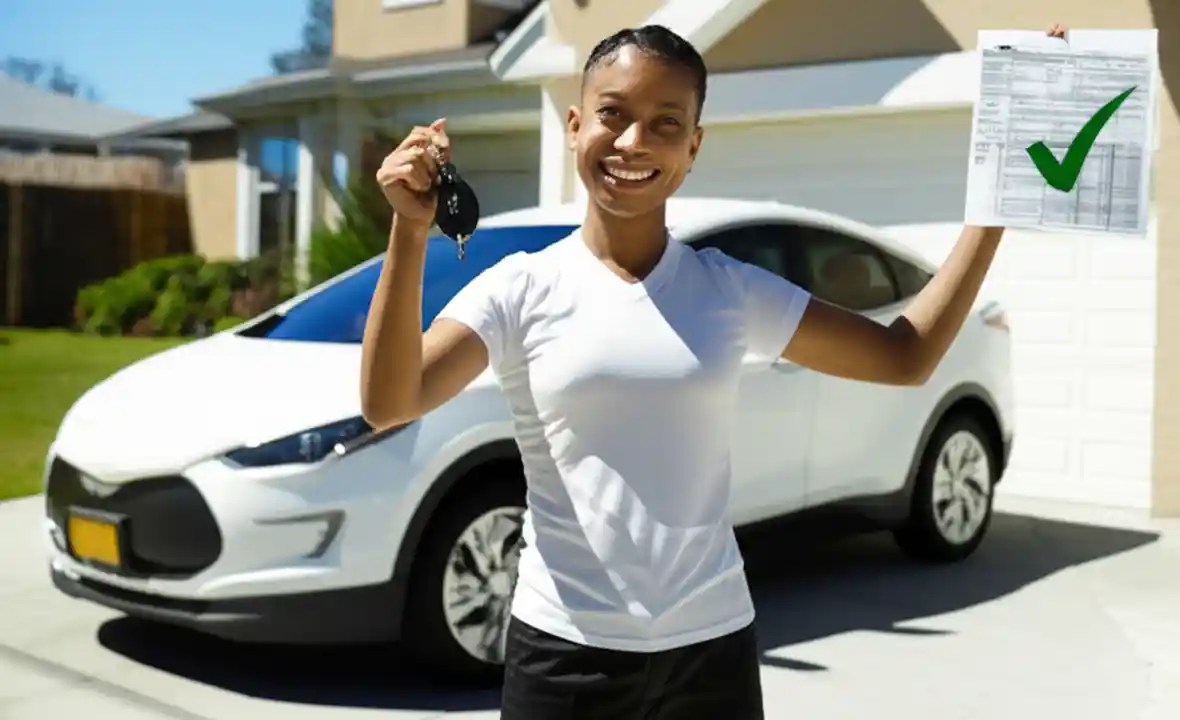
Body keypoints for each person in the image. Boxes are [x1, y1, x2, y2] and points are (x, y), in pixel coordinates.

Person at [361, 21, 1067, 720]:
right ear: (575, 125)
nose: (635, 141)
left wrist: (994, 206)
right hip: (564, 655)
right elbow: (390, 401)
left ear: (693, 146)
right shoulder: (520, 290)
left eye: (666, 123)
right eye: (613, 115)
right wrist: (409, 232)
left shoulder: (729, 290)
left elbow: (905, 356)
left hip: (710, 654)